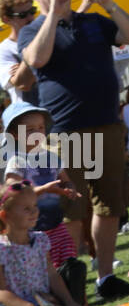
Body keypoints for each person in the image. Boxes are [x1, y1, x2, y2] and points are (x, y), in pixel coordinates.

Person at [18, 0, 129, 302]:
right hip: (65, 133)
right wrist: (54, 15)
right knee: (72, 209)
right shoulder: (33, 29)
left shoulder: (94, 22)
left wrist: (109, 4)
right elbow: (36, 59)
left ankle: (106, 277)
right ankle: (73, 284)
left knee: (110, 206)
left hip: (106, 125)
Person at [0, 180, 94, 306]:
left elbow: (52, 275)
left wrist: (70, 302)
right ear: (5, 216)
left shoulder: (40, 240)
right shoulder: (2, 248)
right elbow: (1, 292)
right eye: (26, 208)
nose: (34, 211)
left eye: (35, 206)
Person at [2, 103, 79, 270]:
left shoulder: (52, 157)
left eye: (40, 127)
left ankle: (70, 291)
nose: (37, 133)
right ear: (14, 135)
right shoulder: (17, 161)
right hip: (31, 229)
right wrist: (44, 190)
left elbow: (66, 180)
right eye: (29, 130)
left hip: (56, 223)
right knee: (44, 269)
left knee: (69, 263)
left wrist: (70, 187)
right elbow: (13, 195)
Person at [1, 0, 40, 107]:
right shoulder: (3, 49)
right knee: (20, 126)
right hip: (24, 118)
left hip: (55, 114)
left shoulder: (48, 37)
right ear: (6, 19)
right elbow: (22, 84)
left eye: (32, 11)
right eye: (22, 15)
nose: (30, 18)